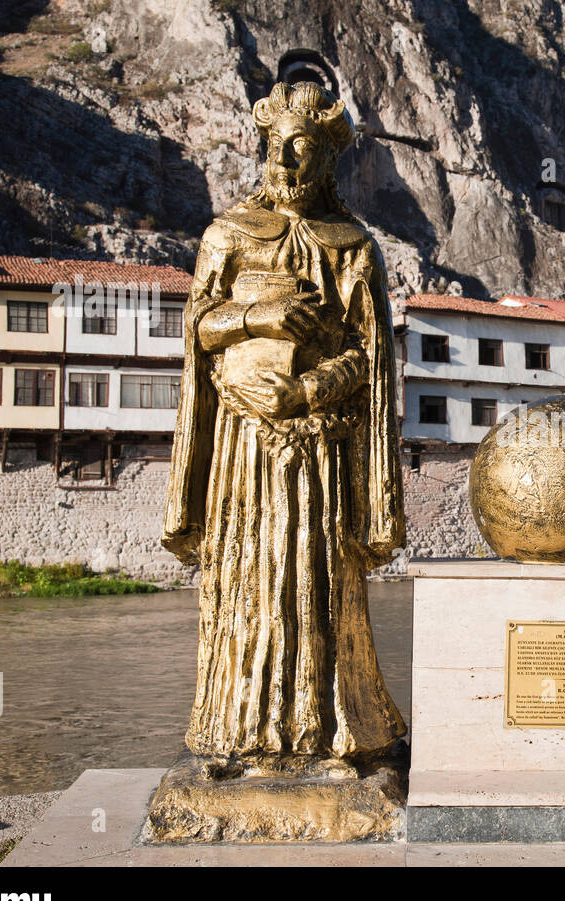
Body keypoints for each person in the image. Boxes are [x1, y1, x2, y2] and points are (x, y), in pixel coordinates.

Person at [162, 81, 405, 770]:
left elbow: (370, 353)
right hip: (242, 449)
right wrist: (253, 319)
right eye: (277, 150)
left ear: (327, 161)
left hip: (318, 445)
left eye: (301, 153)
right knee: (248, 584)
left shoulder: (352, 246)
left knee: (316, 584)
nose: (287, 166)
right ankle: (238, 737)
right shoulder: (228, 234)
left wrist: (307, 387)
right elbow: (199, 326)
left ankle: (330, 734)